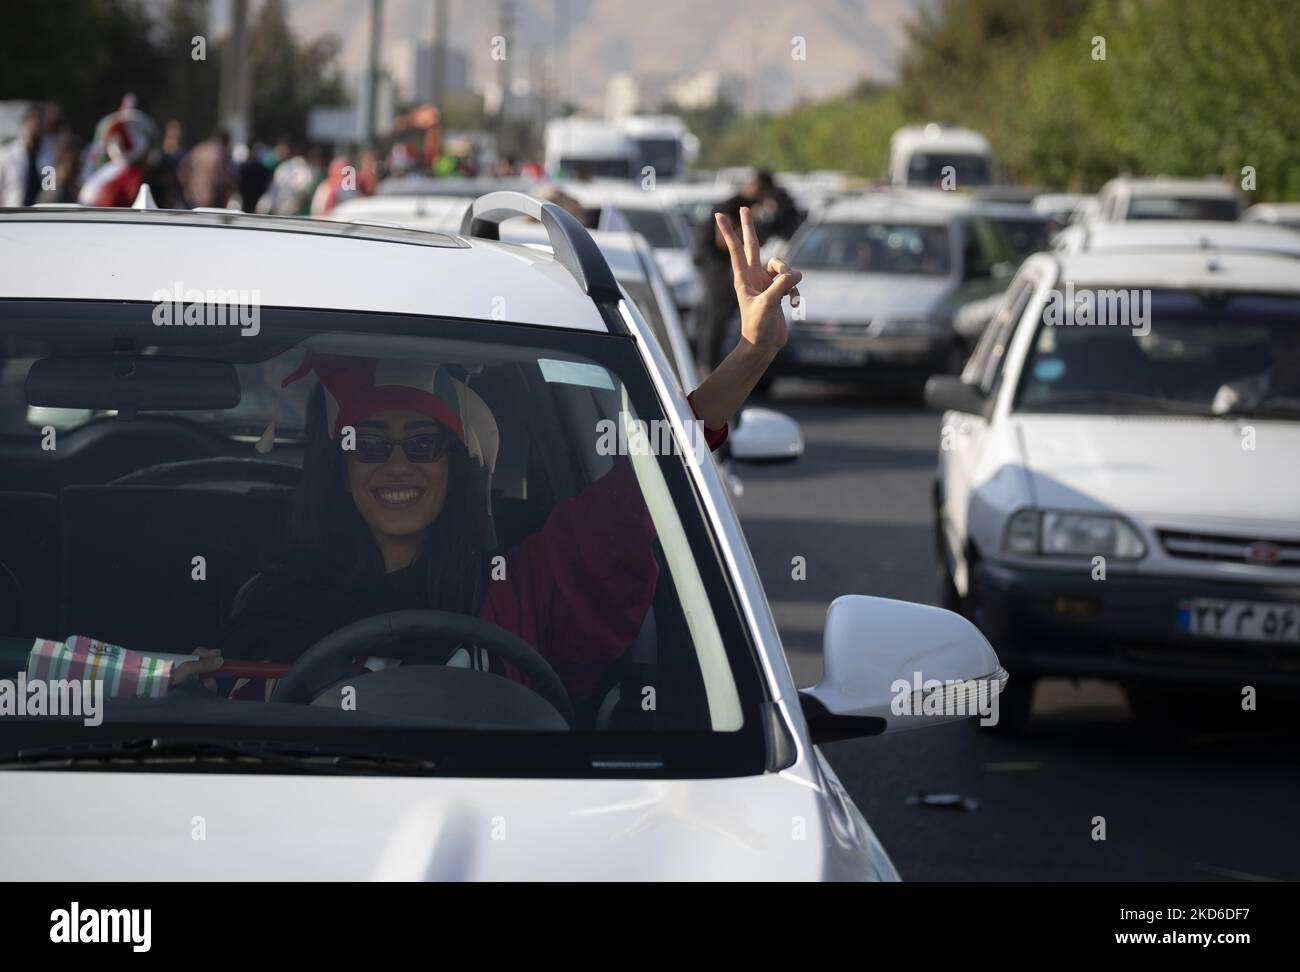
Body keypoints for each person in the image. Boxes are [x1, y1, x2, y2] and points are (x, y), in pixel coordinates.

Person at [172, 208, 803, 709]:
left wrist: (749, 355)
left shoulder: (522, 584)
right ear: (339, 463)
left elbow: (644, 488)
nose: (397, 464)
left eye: (424, 444)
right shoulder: (276, 595)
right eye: (369, 443)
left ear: (458, 462)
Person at [1212, 327, 1300, 414]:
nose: (1296, 353)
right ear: (1273, 346)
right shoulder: (1237, 391)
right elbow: (1217, 420)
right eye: (1288, 345)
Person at [178, 129, 233, 208]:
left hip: (192, 198)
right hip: (209, 200)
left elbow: (182, 170)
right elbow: (221, 180)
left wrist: (187, 188)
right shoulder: (219, 154)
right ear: (225, 140)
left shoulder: (199, 149)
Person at [0, 105, 43, 207]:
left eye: (38, 126)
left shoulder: (49, 157)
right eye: (31, 125)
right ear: (24, 125)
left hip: (40, 215)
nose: (34, 129)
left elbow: (50, 189)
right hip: (13, 215)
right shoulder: (7, 155)